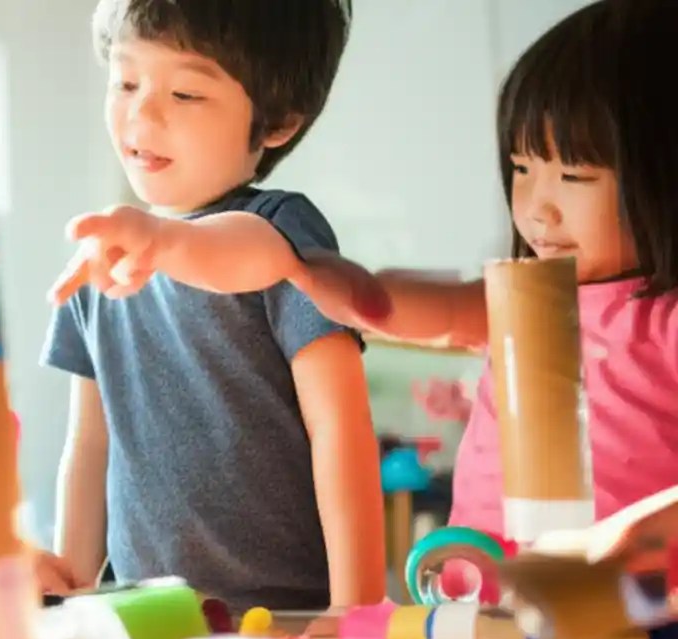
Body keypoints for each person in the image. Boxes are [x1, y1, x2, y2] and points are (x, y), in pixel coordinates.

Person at [240, 0, 678, 561]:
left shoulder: (663, 322)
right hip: (483, 585)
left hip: (624, 597)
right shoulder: (525, 298)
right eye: (522, 168)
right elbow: (427, 309)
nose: (537, 208)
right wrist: (325, 278)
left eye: (574, 176)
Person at [41, 0, 387, 615]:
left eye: (185, 94)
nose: (142, 112)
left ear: (276, 122)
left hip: (284, 618)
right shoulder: (104, 258)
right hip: (144, 618)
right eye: (126, 81)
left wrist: (353, 610)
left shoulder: (284, 233)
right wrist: (68, 582)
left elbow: (341, 428)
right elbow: (90, 445)